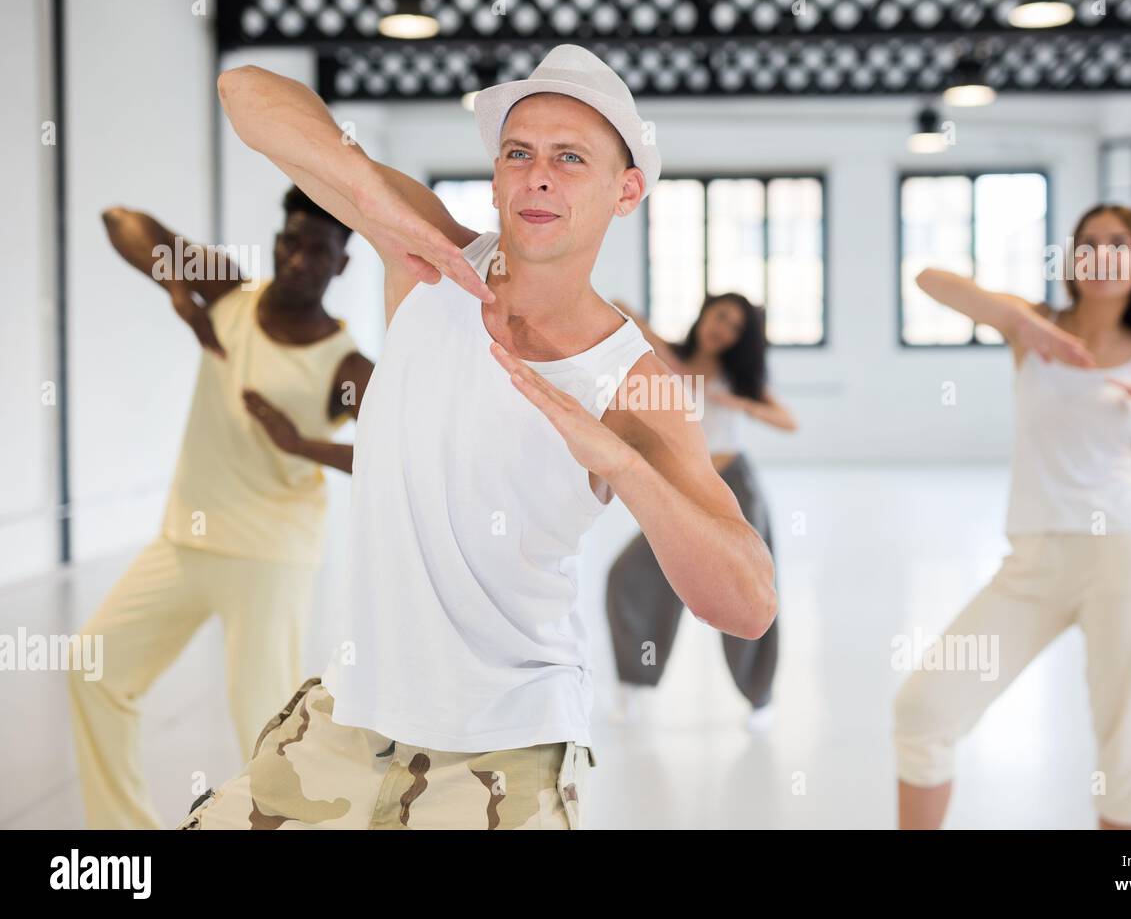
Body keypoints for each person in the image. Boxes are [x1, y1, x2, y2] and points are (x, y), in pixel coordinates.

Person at [179, 43, 777, 830]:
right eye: (518, 153)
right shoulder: (427, 252)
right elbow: (243, 89)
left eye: (571, 158)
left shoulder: (637, 385)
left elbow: (747, 603)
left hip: (508, 740)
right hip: (353, 705)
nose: (538, 176)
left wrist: (620, 464)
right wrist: (373, 199)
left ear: (625, 190)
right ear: (496, 174)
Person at [892, 204, 1131, 830]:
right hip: (1031, 559)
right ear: (1072, 260)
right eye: (1090, 243)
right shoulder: (1032, 325)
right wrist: (1016, 321)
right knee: (924, 711)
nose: (1104, 253)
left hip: (1125, 556)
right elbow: (929, 280)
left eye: (1120, 243)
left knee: (1125, 758)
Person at [69, 189, 373, 829]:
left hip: (269, 556)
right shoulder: (229, 294)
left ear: (341, 265)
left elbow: (394, 453)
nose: (298, 259)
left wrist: (302, 443)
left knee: (266, 731)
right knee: (95, 669)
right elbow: (122, 219)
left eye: (319, 249)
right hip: (184, 540)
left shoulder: (344, 364)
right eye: (291, 240)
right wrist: (178, 287)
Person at [607, 293, 796, 729]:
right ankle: (634, 682)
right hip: (682, 490)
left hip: (736, 488)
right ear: (704, 315)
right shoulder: (670, 360)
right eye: (720, 317)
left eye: (734, 327)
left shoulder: (736, 376)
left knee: (750, 591)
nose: (723, 329)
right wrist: (626, 313)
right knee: (628, 574)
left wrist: (739, 403)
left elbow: (789, 421)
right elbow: (649, 339)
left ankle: (759, 696)